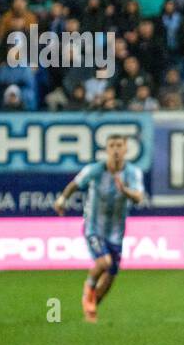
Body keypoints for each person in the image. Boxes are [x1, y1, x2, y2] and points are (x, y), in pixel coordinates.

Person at [52, 134, 147, 322]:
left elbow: (138, 197)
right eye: (112, 146)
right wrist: (62, 200)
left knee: (111, 275)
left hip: (116, 232)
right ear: (107, 150)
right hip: (94, 227)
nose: (116, 149)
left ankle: (91, 308)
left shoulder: (132, 173)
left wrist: (125, 190)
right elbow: (75, 184)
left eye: (119, 145)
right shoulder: (96, 170)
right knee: (104, 262)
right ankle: (88, 289)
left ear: (126, 149)